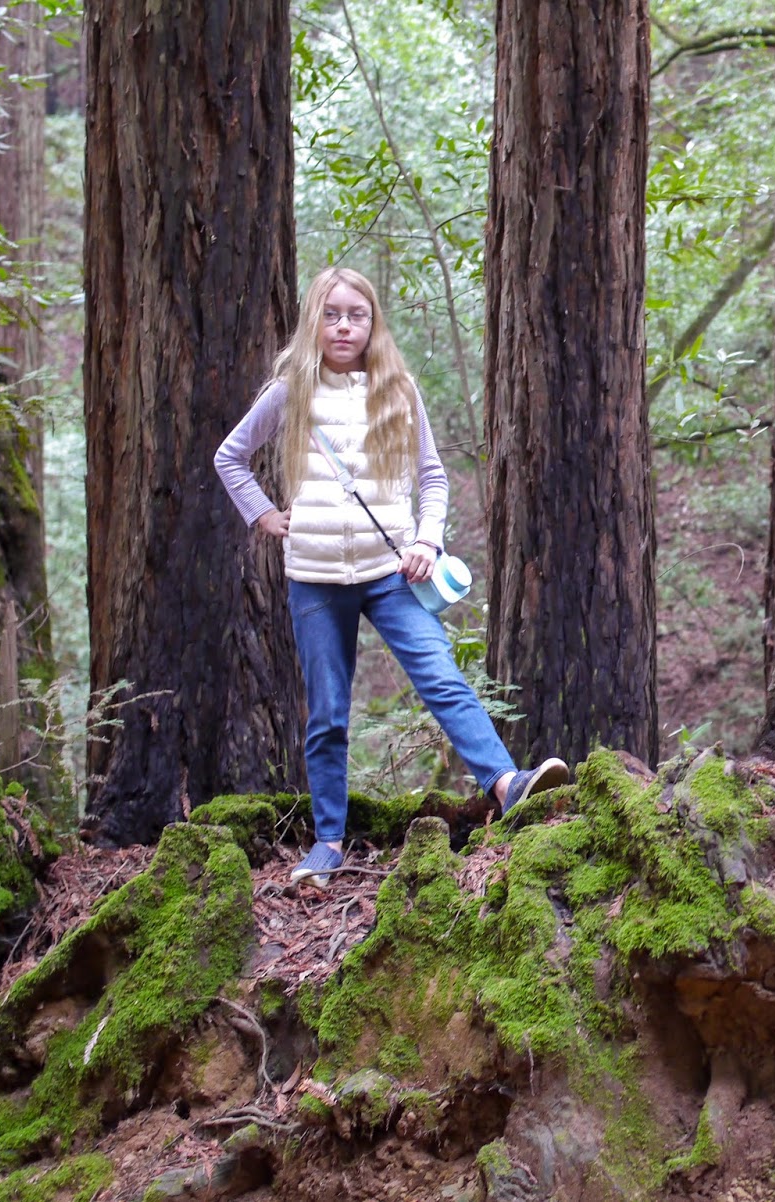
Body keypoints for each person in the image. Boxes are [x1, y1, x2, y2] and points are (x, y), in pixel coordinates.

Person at [214, 266, 567, 887]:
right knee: (327, 711)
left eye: (356, 313)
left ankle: (509, 785)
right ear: (313, 321)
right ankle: (327, 842)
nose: (344, 324)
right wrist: (265, 516)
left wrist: (428, 539)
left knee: (441, 676)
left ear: (373, 322)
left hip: (390, 572)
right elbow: (231, 457)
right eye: (331, 313)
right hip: (316, 582)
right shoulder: (289, 392)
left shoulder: (397, 389)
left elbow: (432, 475)